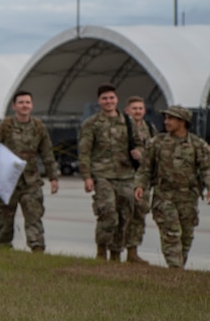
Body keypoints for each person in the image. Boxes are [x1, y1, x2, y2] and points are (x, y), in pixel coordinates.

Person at [133, 106, 210, 270]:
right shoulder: (157, 142)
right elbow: (145, 169)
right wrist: (140, 185)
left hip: (188, 198)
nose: (166, 122)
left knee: (186, 236)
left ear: (183, 122)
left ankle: (178, 270)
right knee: (171, 234)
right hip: (164, 197)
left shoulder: (198, 145)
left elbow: (206, 169)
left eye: (171, 118)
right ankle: (176, 270)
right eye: (166, 118)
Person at [0, 90, 59, 252]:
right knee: (4, 219)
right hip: (6, 181)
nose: (25, 106)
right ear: (14, 106)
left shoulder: (39, 127)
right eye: (21, 102)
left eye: (28, 102)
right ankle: (3, 251)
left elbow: (47, 153)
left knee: (34, 217)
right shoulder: (4, 126)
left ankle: (37, 250)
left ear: (32, 105)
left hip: (30, 181)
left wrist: (53, 177)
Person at [78, 84, 135, 261]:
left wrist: (138, 153)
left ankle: (116, 253)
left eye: (111, 98)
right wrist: (87, 177)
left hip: (126, 176)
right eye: (104, 98)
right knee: (107, 212)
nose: (108, 101)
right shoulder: (92, 123)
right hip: (102, 175)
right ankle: (101, 250)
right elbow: (85, 151)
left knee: (124, 215)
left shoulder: (128, 121)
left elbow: (139, 142)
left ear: (117, 99)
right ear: (99, 101)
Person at [123, 96, 157, 264]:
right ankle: (114, 250)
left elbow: (155, 152)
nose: (137, 111)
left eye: (140, 108)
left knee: (139, 214)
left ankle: (132, 251)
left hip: (142, 178)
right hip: (124, 176)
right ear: (127, 110)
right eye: (134, 108)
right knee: (122, 215)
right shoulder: (122, 127)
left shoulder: (150, 128)